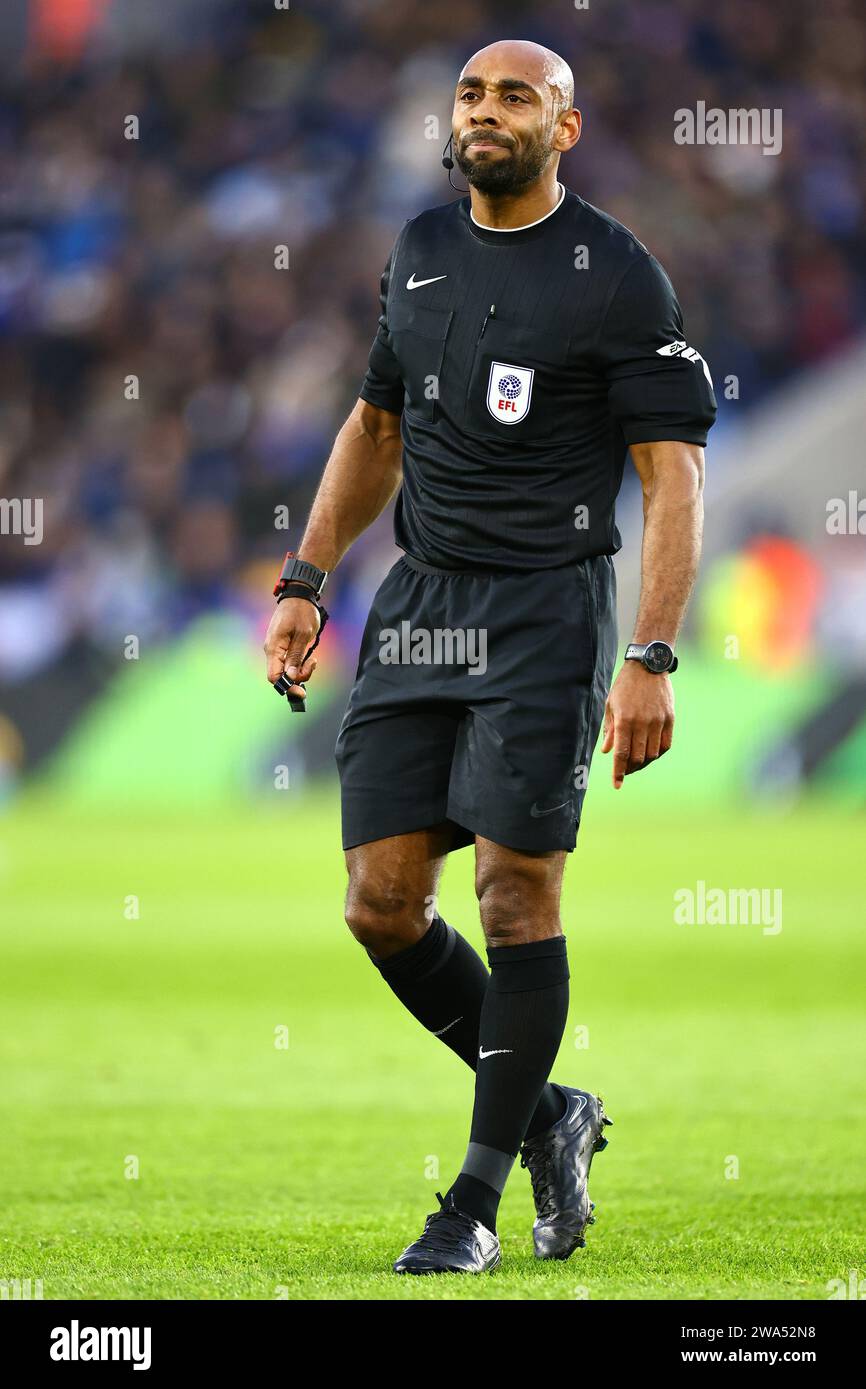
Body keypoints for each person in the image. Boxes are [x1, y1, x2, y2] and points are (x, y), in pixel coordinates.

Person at [264, 38, 716, 1275]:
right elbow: (375, 425)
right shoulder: (416, 250)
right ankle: (554, 1112)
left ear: (562, 129)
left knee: (515, 895)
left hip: (546, 612)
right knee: (377, 902)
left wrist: (652, 652)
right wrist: (305, 581)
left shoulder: (616, 275)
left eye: (516, 95)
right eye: (470, 92)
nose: (485, 111)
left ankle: (466, 1202)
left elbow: (668, 478)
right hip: (417, 606)